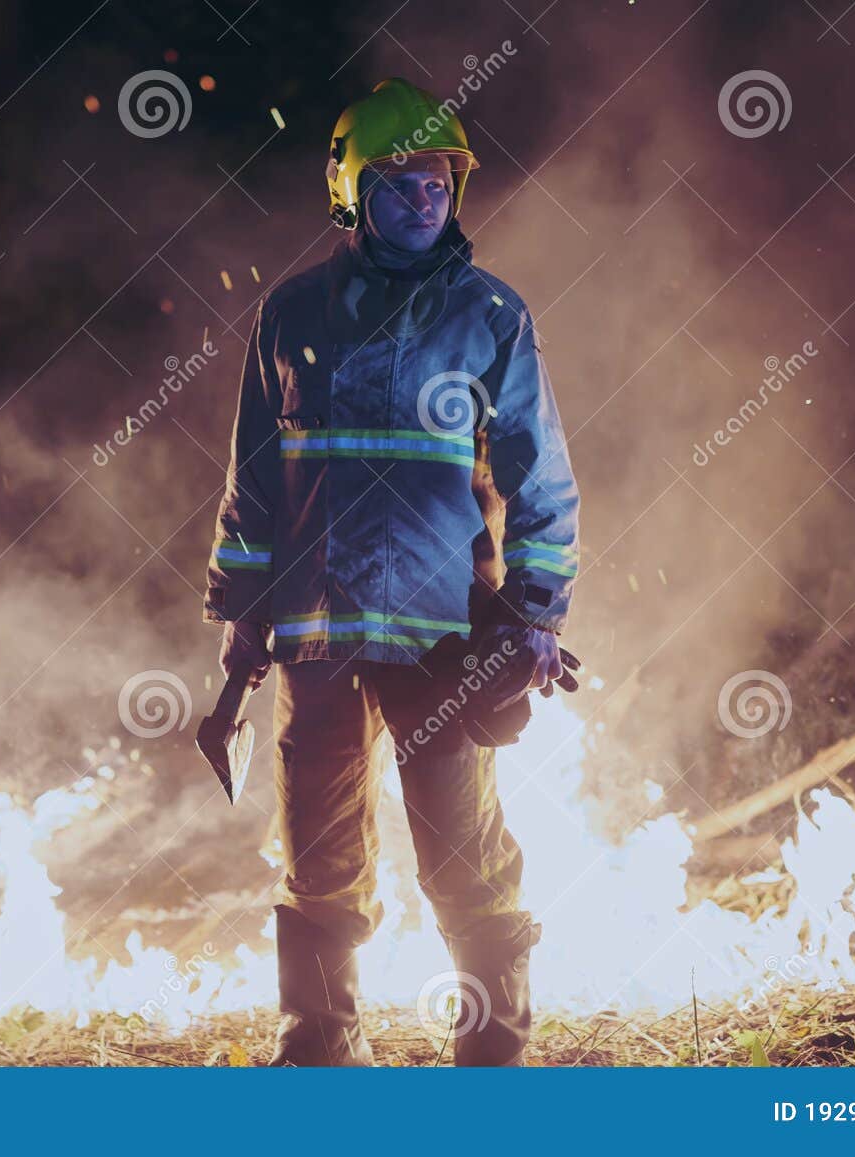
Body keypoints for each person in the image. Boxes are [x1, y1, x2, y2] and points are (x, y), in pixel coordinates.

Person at [202, 78, 580, 1066]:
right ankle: (319, 1051)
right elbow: (253, 478)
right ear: (351, 191)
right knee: (318, 861)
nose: (423, 200)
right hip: (314, 630)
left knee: (464, 856)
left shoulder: (491, 316)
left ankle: (491, 1058)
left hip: (443, 630)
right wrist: (240, 613)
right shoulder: (288, 315)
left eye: (438, 183)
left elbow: (540, 473)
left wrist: (537, 611)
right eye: (400, 182)